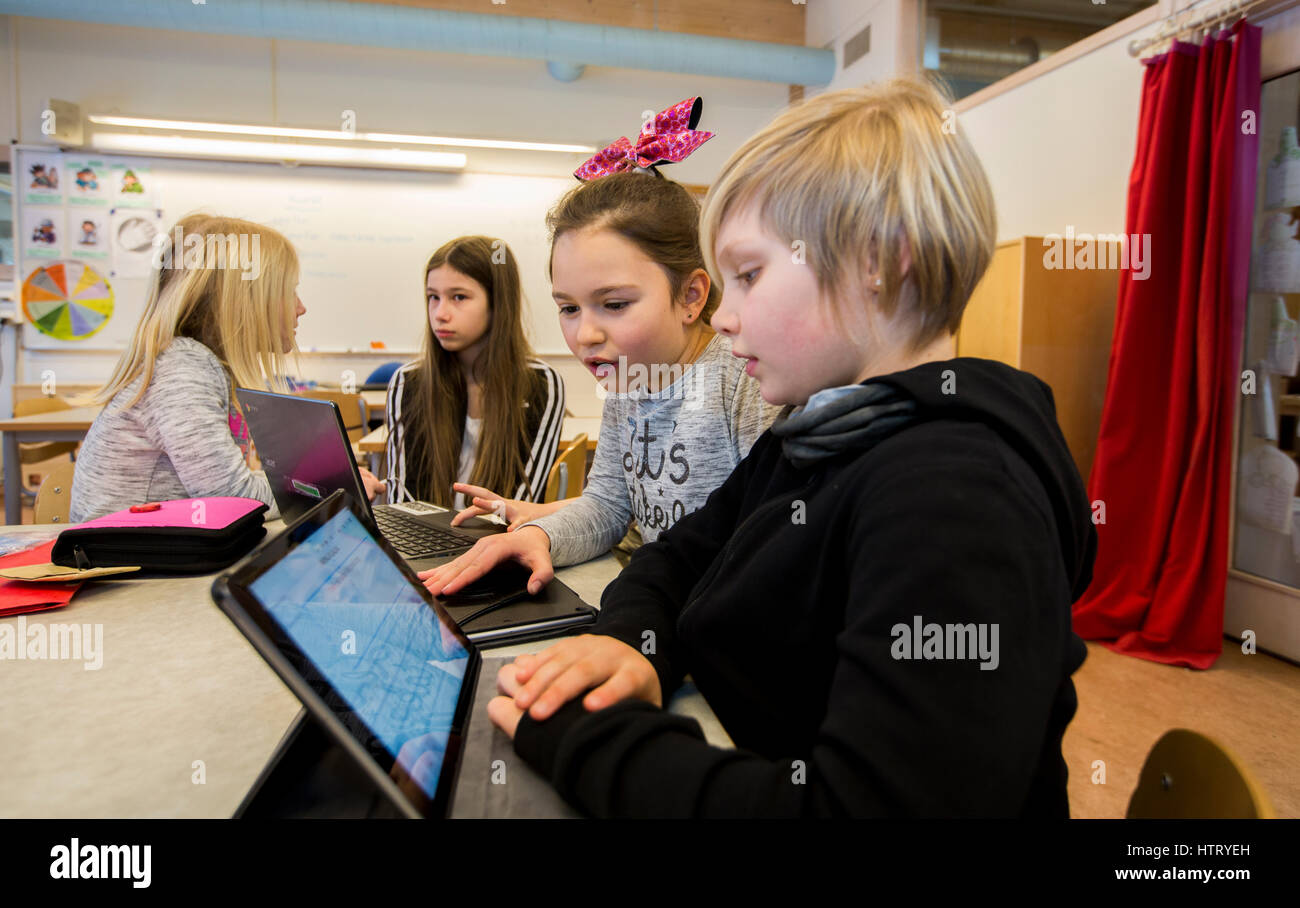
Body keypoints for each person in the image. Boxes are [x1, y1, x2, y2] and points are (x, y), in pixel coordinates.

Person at [481, 77, 1097, 817]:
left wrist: (589, 745)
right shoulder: (823, 433)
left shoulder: (957, 499)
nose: (726, 316)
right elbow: (678, 557)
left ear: (879, 259)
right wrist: (631, 643)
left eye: (748, 275)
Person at [418, 171, 781, 597]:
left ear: (691, 296)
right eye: (569, 308)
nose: (584, 334)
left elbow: (769, 552)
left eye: (613, 304)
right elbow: (608, 505)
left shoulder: (746, 380)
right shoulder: (627, 378)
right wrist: (538, 536)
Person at [70, 213, 383, 522]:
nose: (301, 308)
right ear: (244, 301)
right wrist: (333, 488)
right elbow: (231, 497)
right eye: (289, 292)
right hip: (131, 563)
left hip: (160, 550)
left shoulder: (202, 364)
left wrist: (325, 482)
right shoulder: (183, 369)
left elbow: (226, 485)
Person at [384, 236, 564, 513]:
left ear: (497, 303)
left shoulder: (541, 385)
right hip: (424, 544)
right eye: (433, 297)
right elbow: (403, 505)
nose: (440, 314)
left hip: (500, 543)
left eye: (459, 297)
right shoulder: (407, 383)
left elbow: (519, 505)